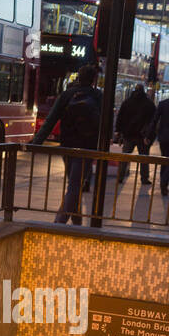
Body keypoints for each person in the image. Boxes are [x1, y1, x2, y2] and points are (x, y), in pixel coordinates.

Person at [31, 65, 102, 224]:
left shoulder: (67, 94)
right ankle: (59, 223)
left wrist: (37, 142)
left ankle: (76, 222)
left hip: (67, 145)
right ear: (93, 79)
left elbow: (51, 119)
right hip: (87, 147)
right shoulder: (98, 96)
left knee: (74, 184)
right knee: (75, 186)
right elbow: (105, 123)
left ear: (78, 76)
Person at [115, 84, 156, 184]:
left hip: (128, 134)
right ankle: (144, 178)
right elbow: (153, 121)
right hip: (142, 136)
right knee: (144, 157)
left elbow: (120, 117)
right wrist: (150, 136)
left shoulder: (127, 102)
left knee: (125, 156)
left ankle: (120, 176)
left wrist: (118, 131)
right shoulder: (149, 104)